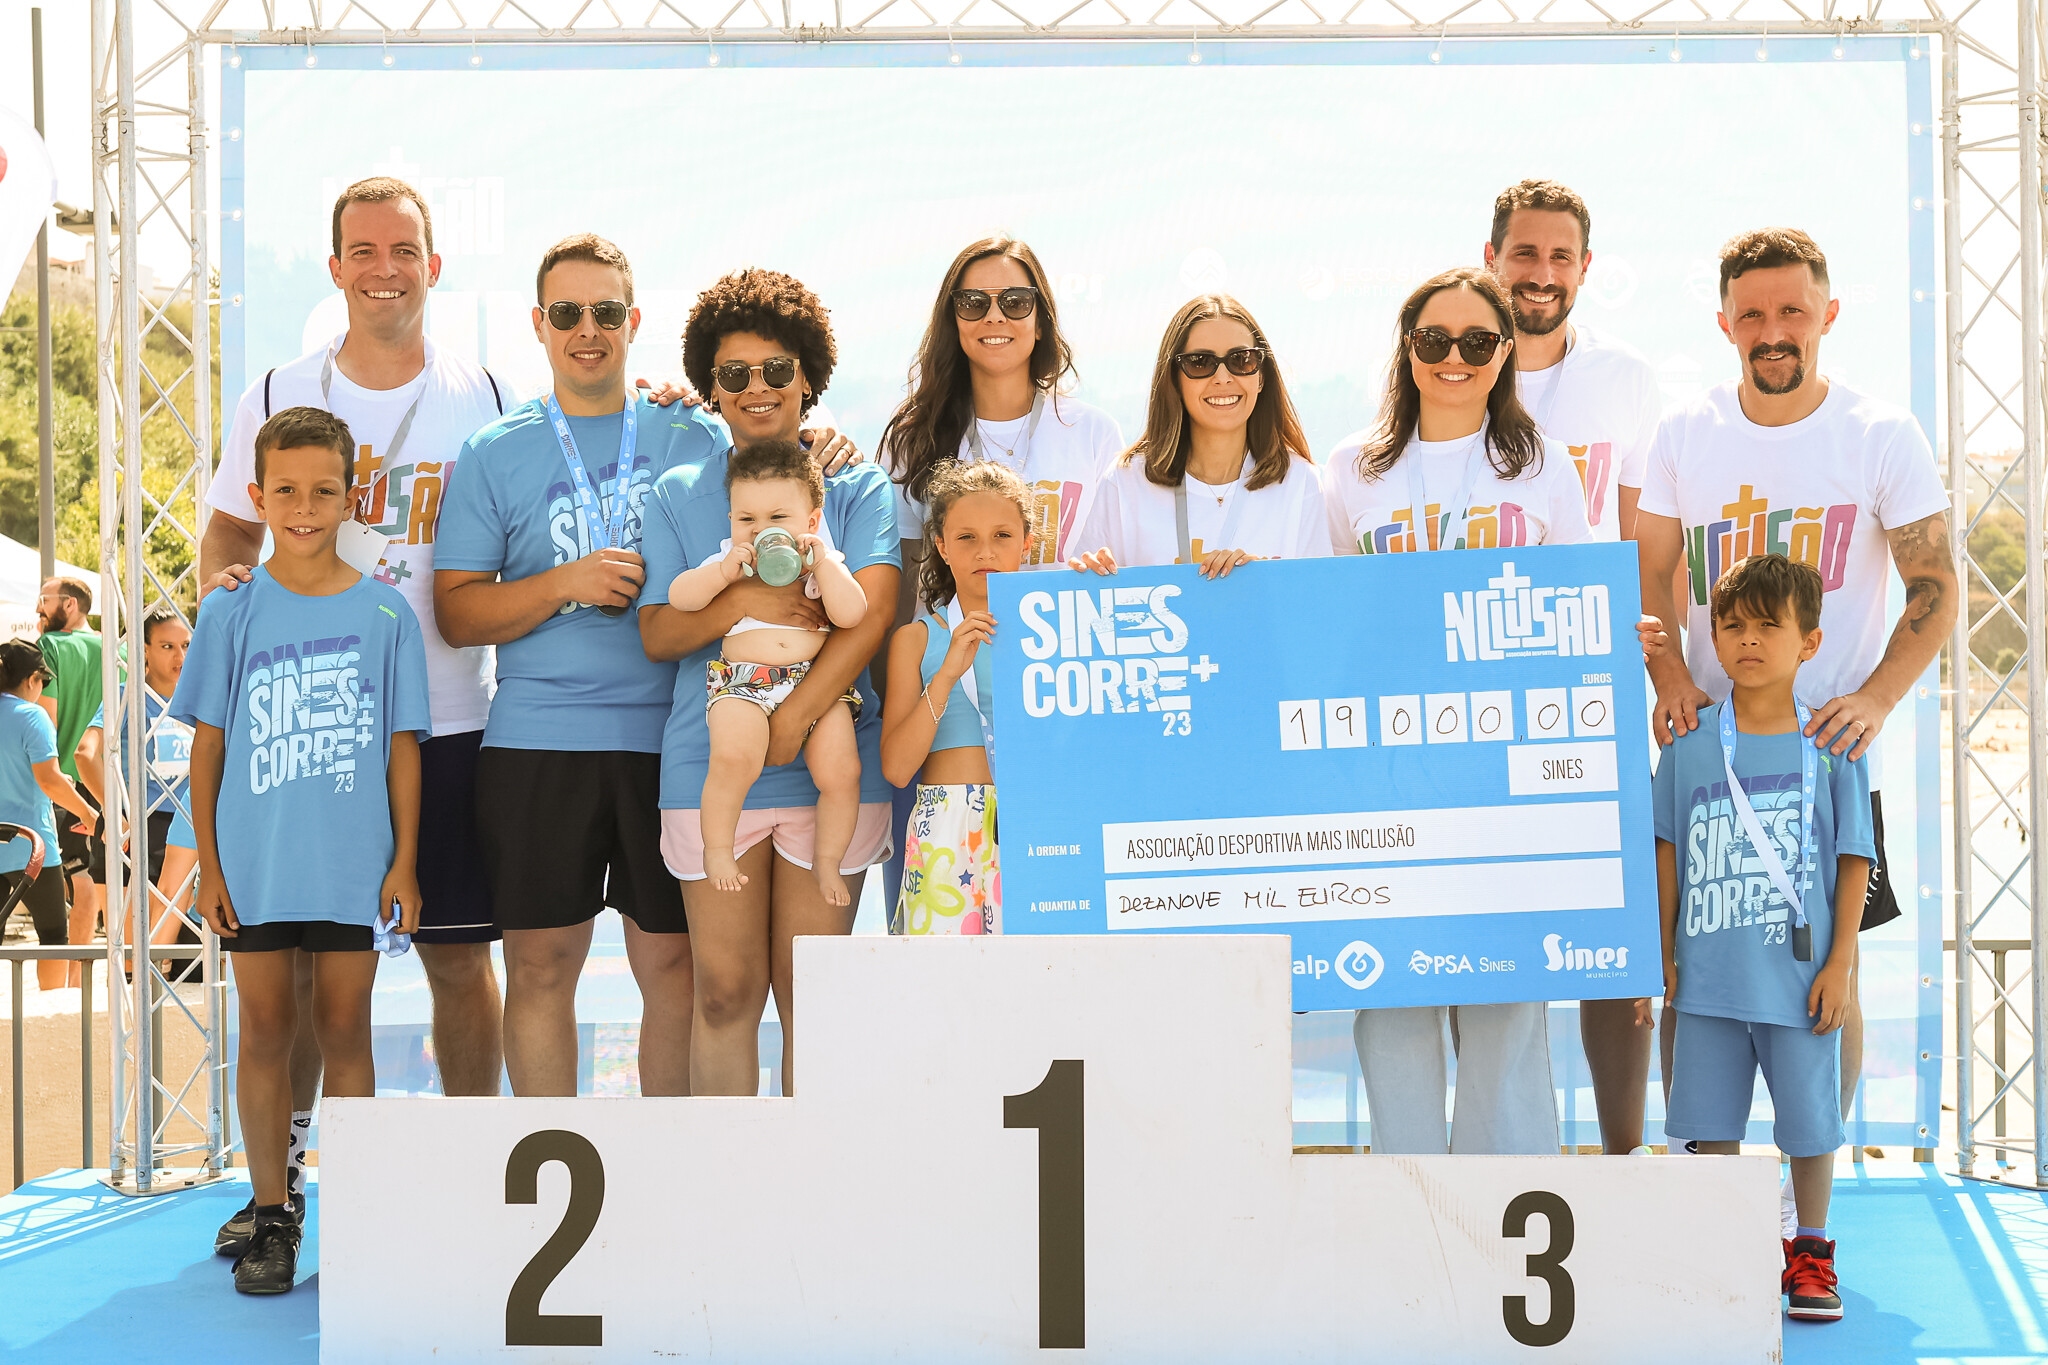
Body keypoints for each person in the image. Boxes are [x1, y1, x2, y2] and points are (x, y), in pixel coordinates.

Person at [1635, 227, 1954, 1209]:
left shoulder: (1877, 433)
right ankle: (1704, 1202)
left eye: (1790, 311)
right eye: (1752, 314)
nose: (1771, 332)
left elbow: (1933, 582)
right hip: (1708, 762)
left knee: (1825, 978)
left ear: (1825, 314)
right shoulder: (1683, 433)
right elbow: (1649, 576)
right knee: (1696, 987)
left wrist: (1873, 696)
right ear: (1724, 322)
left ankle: (1800, 1199)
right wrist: (1667, 683)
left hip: (1818, 760)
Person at [201, 176, 510, 1107]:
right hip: (311, 730)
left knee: (458, 961)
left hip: (448, 718)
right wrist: (225, 592)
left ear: (435, 266)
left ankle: (469, 1167)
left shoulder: (482, 390)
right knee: (298, 981)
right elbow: (226, 534)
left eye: (404, 251)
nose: (386, 270)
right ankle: (282, 1188)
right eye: (365, 252)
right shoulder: (280, 389)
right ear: (335, 267)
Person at [435, 232, 723, 1099]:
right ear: (538, 324)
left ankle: (664, 1177)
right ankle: (546, 1173)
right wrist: (564, 582)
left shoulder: (694, 430)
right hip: (537, 740)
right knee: (539, 964)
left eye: (605, 312)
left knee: (672, 965)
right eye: (567, 313)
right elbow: (456, 611)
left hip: (669, 737)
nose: (586, 329)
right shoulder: (498, 447)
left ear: (634, 322)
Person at [1323, 266, 1590, 1155]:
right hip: (1389, 777)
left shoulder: (1544, 465)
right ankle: (1409, 1216)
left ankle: (1506, 1215)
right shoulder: (1350, 469)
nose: (1454, 358)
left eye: (1478, 342)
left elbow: (1577, 613)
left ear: (1506, 351)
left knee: (1507, 1004)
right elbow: (1321, 616)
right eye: (1434, 340)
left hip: (1503, 777)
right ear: (1408, 348)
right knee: (1393, 1006)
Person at [174, 405, 430, 1296]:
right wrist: (208, 862)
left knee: (345, 1028)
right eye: (285, 489)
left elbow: (403, 744)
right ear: (258, 495)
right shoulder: (232, 609)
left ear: (353, 497)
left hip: (350, 863)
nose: (306, 505)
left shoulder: (386, 613)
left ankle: (355, 1205)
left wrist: (402, 861)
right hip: (256, 864)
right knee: (269, 1031)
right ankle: (273, 1211)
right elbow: (207, 745)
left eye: (325, 489)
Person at [640, 267, 899, 1097]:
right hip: (713, 763)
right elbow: (659, 631)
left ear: (810, 377)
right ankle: (725, 1196)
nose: (758, 388)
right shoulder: (681, 492)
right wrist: (748, 594)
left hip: (830, 761)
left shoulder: (856, 485)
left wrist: (794, 720)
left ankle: (808, 1197)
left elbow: (873, 616)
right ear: (708, 388)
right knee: (724, 993)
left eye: (777, 369)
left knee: (810, 998)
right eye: (734, 373)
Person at [1485, 177, 1669, 1154]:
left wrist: (1661, 677)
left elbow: (1642, 541)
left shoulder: (1623, 378)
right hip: (1480, 685)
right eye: (1524, 253)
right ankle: (1500, 1153)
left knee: (1616, 932)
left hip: (1589, 689)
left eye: (1560, 257)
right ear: (1491, 260)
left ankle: (1622, 1156)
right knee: (1490, 925)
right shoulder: (1456, 362)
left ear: (1585, 269)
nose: (1541, 273)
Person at [1650, 553, 1871, 1322]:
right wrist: (1663, 956)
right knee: (1706, 1124)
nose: (1747, 640)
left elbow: (1853, 860)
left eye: (1767, 626)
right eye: (1731, 626)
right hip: (1708, 980)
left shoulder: (1834, 744)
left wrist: (1841, 961)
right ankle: (1716, 1252)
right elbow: (1666, 849)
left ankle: (1809, 1251)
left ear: (1808, 641)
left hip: (1799, 979)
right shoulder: (1687, 744)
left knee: (1810, 1125)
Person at [665, 440, 869, 904]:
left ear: (811, 523)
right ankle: (717, 849)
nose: (760, 531)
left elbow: (853, 614)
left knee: (842, 771)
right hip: (743, 681)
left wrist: (826, 567)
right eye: (746, 520)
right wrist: (722, 574)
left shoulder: (822, 561)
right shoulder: (728, 560)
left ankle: (828, 861)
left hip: (812, 683)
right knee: (734, 759)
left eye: (777, 519)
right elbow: (681, 597)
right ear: (732, 521)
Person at [1068, 294, 1330, 573]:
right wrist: (1091, 576)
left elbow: (1319, 604)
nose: (1223, 377)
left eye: (1242, 360)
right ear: (1174, 379)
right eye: (1200, 362)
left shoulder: (1300, 482)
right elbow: (1087, 604)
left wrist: (1261, 586)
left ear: (1261, 376)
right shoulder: (1126, 480)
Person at [879, 461, 1032, 935]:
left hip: (1035, 818)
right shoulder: (918, 638)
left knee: (1040, 988)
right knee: (943, 995)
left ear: (1028, 542)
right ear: (941, 547)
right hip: (946, 825)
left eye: (1002, 535)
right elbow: (898, 769)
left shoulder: (1056, 628)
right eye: (966, 538)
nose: (985, 551)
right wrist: (946, 675)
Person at [73, 605, 197, 980]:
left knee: (191, 968)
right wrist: (114, 811)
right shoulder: (127, 696)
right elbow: (85, 754)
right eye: (167, 646)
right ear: (142, 649)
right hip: (139, 830)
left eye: (187, 645)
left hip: (194, 828)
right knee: (135, 969)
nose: (180, 656)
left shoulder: (203, 697)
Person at [0, 640, 96, 991]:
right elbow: (49, 779)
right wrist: (90, 813)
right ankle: (49, 1015)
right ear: (32, 679)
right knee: (53, 936)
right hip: (31, 847)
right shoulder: (31, 715)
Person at [35, 576, 105, 989]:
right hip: (105, 776)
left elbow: (47, 717)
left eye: (45, 600)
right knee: (95, 875)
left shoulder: (52, 648)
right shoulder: (118, 647)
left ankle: (72, 981)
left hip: (65, 779)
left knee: (76, 877)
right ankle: (82, 976)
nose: (38, 609)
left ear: (72, 604)